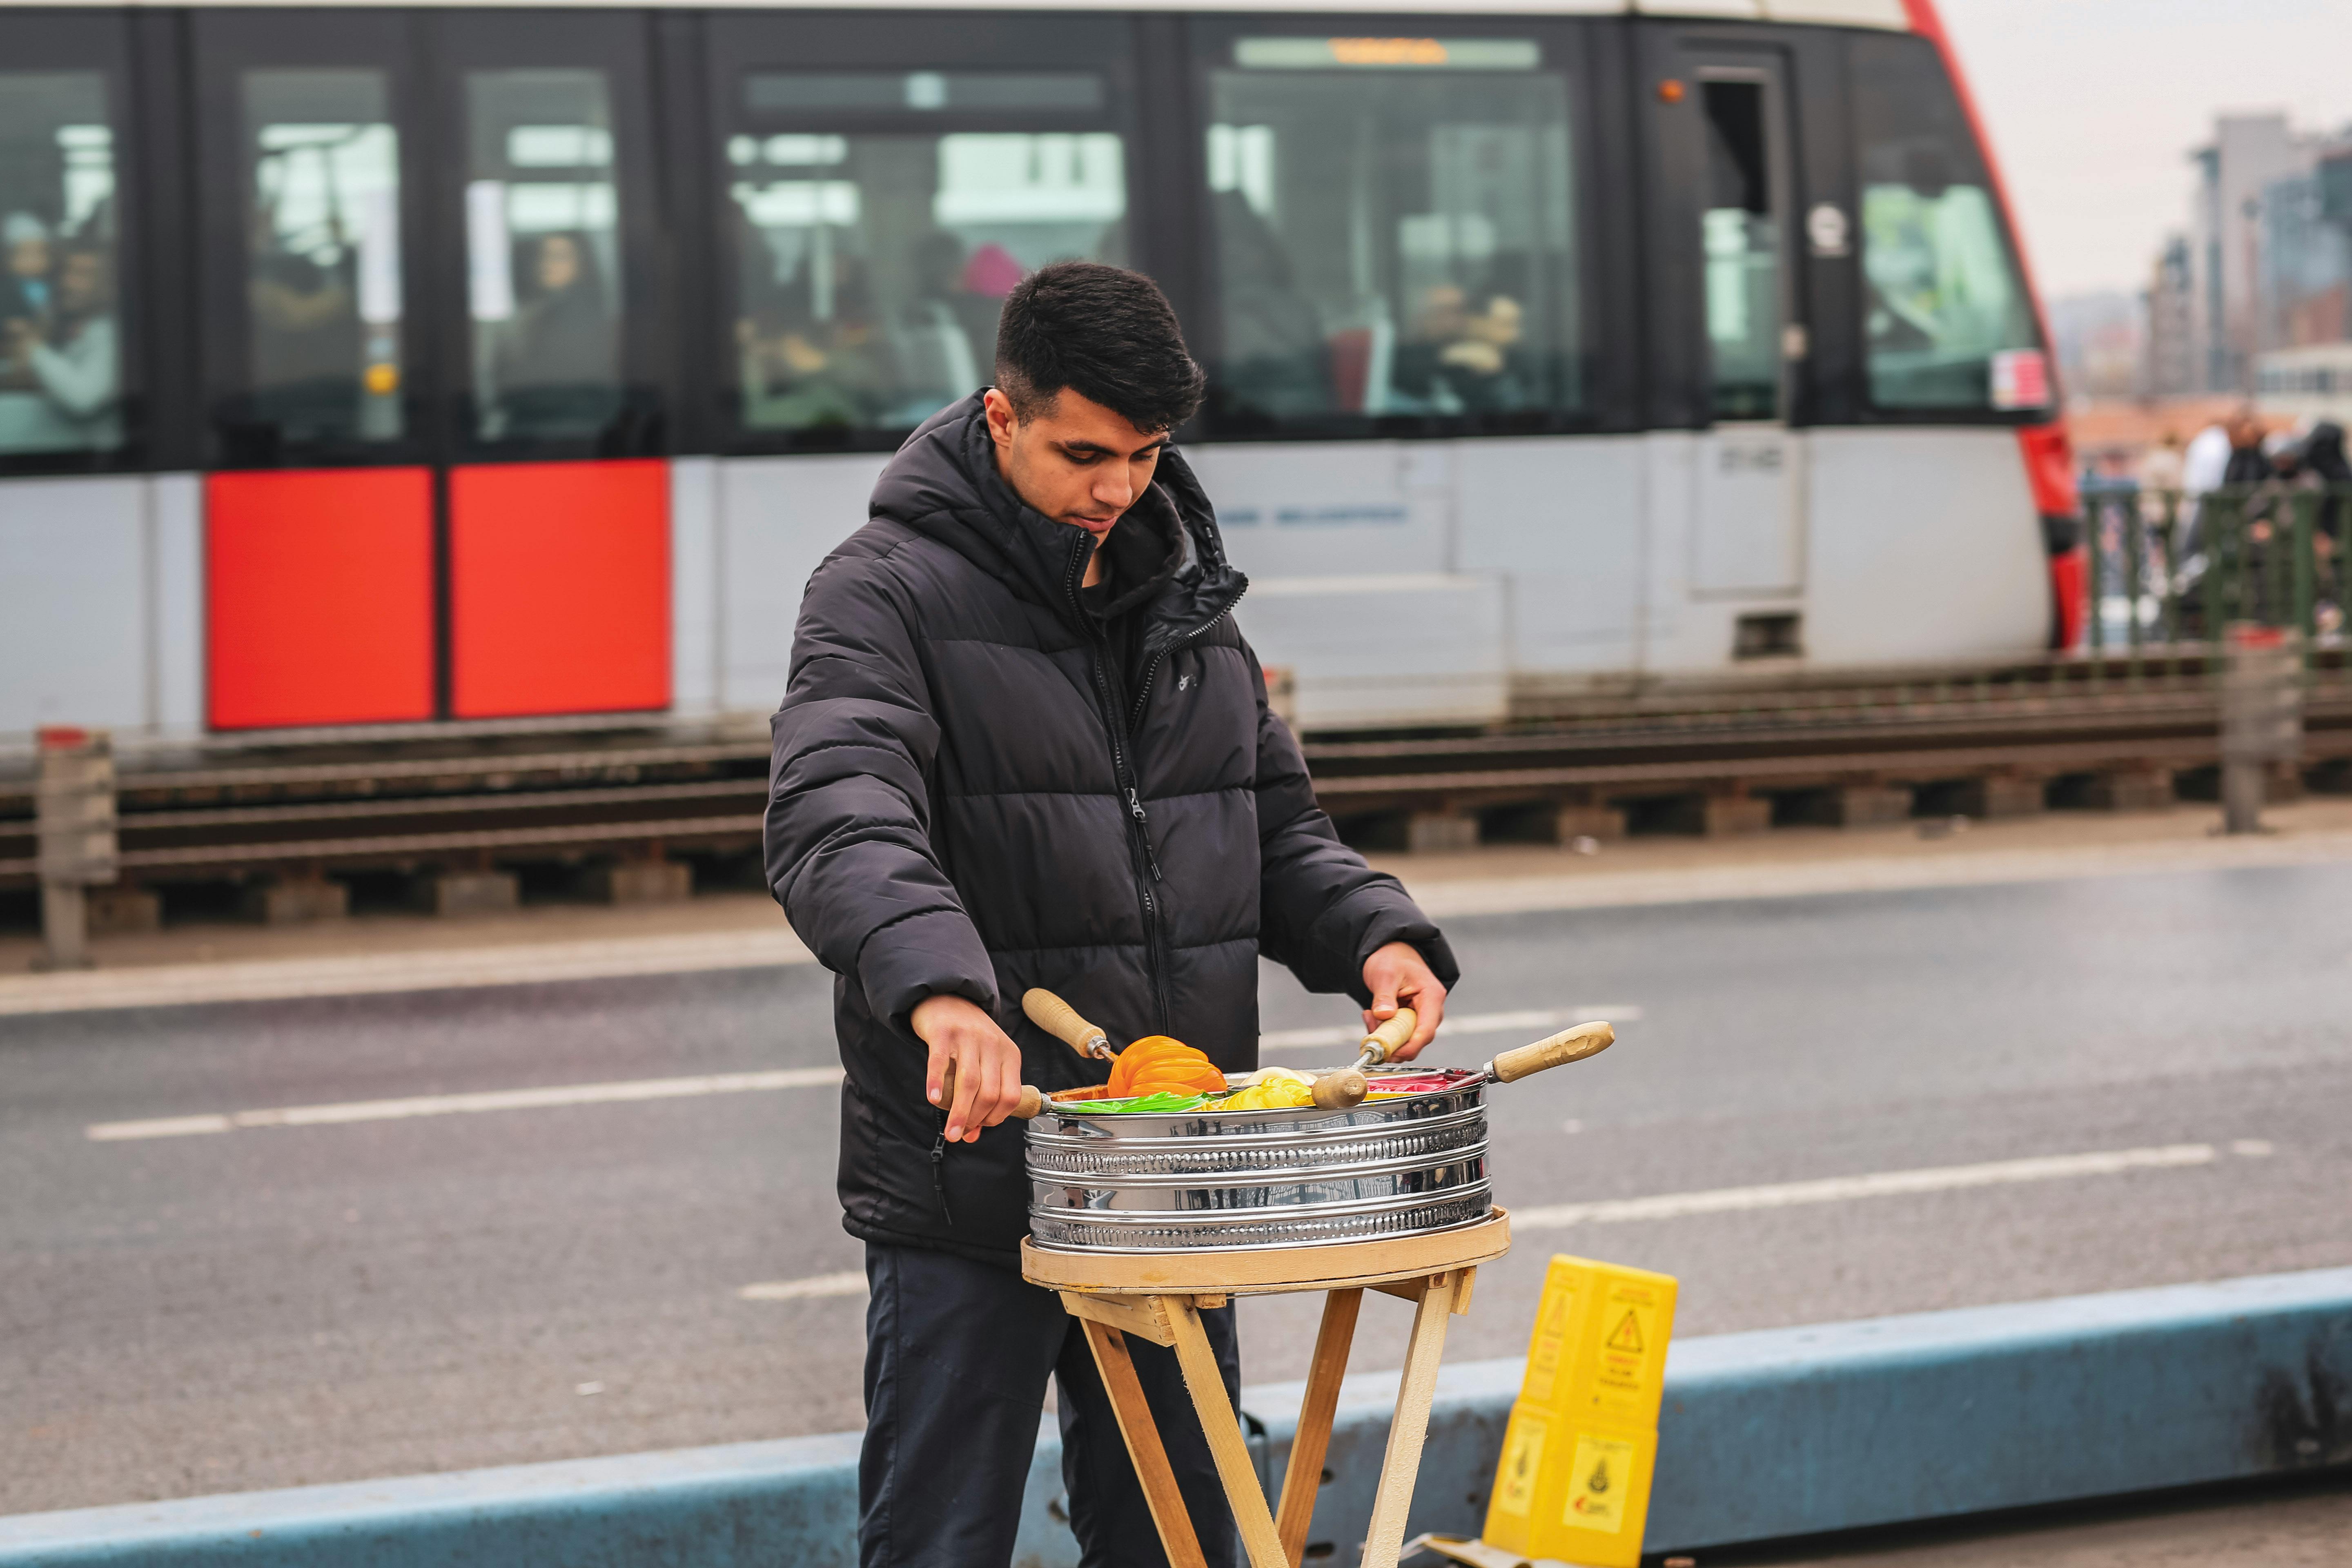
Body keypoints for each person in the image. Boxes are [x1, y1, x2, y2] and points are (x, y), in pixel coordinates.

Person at [763, 261, 1457, 1568]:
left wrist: (1378, 934)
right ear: (999, 416)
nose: (1116, 489)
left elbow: (1273, 826)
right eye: (1084, 453)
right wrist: (943, 990)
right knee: (941, 1534)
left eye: (1146, 456)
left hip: (1170, 1162)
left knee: (1186, 1536)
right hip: (978, 1163)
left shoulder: (1185, 602)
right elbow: (839, 811)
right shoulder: (881, 591)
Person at [490, 231, 617, 434]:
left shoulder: (578, 316)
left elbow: (528, 384)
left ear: (583, 265)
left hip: (563, 431)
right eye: (543, 256)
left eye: (559, 258)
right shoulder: (541, 310)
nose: (546, 265)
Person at [0, 243, 118, 452]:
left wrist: (33, 348)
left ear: (108, 283)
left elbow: (83, 398)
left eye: (84, 274)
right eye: (66, 272)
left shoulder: (109, 333)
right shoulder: (77, 329)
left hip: (96, 465)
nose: (68, 283)